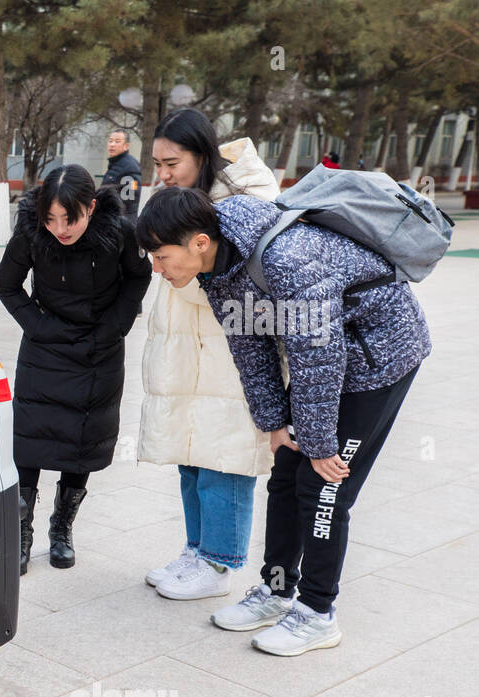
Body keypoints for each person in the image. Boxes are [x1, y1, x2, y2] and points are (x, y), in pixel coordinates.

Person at [135, 185, 429, 655]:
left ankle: (316, 614)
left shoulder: (287, 258)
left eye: (161, 255)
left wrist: (320, 443)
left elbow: (319, 356)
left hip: (379, 354)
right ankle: (275, 591)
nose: (156, 268)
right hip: (331, 354)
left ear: (198, 243)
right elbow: (251, 349)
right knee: (286, 472)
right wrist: (275, 424)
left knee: (323, 485)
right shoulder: (220, 266)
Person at [139, 107, 279, 602]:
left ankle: (220, 562)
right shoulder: (179, 198)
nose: (163, 173)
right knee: (191, 457)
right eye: (157, 164)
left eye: (171, 162)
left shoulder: (247, 198)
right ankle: (195, 550)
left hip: (232, 353)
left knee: (225, 455)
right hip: (186, 348)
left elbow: (236, 278)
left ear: (201, 154)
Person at [0, 165, 151, 573]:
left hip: (98, 351)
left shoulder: (119, 233)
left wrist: (114, 328)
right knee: (28, 440)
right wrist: (40, 326)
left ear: (92, 208)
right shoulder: (32, 232)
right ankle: (21, 532)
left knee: (83, 442)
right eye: (51, 218)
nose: (60, 229)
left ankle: (62, 528)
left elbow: (140, 276)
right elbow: (6, 285)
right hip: (45, 349)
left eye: (70, 218)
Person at [102, 129, 142, 219]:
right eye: (110, 141)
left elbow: (131, 202)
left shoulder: (130, 167)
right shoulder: (116, 164)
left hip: (120, 222)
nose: (112, 144)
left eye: (117, 141)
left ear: (126, 146)